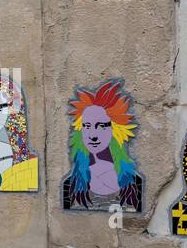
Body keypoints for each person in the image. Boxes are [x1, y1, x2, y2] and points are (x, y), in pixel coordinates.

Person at [61, 79, 143, 211]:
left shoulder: (133, 184)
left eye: (101, 126)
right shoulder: (71, 185)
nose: (93, 134)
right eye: (87, 126)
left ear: (115, 130)